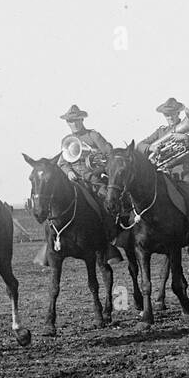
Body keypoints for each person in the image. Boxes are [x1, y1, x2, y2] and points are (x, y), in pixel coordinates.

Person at [53, 104, 121, 266]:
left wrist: (97, 168)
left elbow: (109, 154)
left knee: (107, 202)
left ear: (82, 119)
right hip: (74, 180)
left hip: (93, 180)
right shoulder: (66, 141)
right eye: (70, 121)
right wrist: (68, 171)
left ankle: (110, 241)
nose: (74, 124)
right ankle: (53, 243)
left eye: (76, 120)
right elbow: (62, 162)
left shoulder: (93, 136)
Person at [141, 97, 189, 255]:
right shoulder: (160, 131)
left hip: (183, 171)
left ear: (178, 113)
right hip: (163, 171)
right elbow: (140, 145)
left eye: (172, 114)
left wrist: (186, 138)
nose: (169, 117)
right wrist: (151, 147)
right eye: (166, 115)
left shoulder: (187, 130)